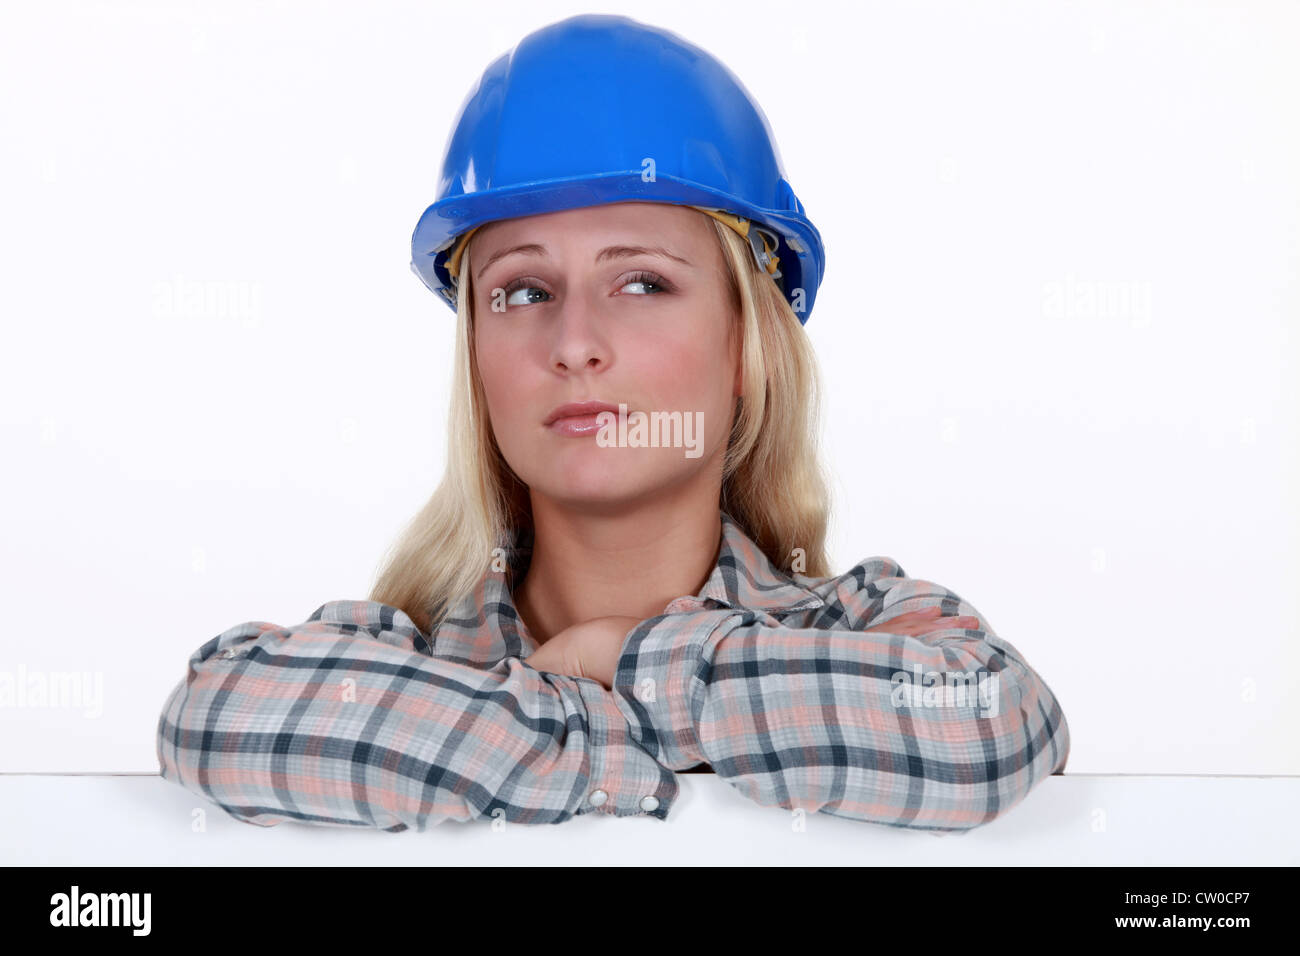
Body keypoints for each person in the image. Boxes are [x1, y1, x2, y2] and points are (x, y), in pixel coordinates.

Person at [156, 14, 1069, 832]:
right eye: (523, 290)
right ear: (478, 362)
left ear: (747, 349)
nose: (575, 342)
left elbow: (994, 722)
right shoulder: (408, 649)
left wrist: (631, 661)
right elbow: (214, 712)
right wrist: (589, 722)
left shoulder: (865, 624)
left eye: (642, 282)